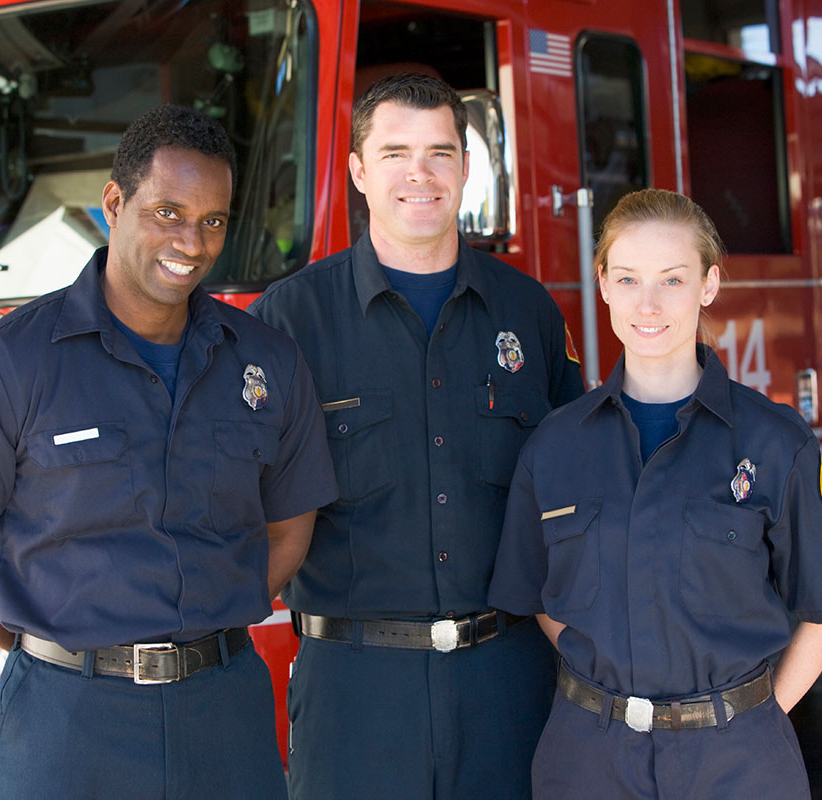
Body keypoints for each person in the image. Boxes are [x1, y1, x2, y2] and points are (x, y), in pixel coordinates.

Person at [0, 104, 337, 799]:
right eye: (168, 212)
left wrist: (208, 623)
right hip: (68, 724)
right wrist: (48, 649)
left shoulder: (267, 361)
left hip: (224, 714)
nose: (191, 242)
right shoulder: (8, 363)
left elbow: (290, 528)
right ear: (114, 202)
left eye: (214, 220)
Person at [248, 73, 584, 799]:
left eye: (440, 152)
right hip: (354, 690)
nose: (420, 174)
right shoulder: (289, 320)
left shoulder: (528, 312)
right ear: (360, 171)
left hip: (509, 681)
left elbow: (581, 500)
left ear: (466, 168)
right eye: (395, 152)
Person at [488, 188, 822, 799]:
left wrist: (752, 718)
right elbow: (543, 599)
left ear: (709, 285)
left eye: (672, 279)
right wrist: (612, 683)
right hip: (589, 762)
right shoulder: (554, 447)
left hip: (737, 764)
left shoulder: (774, 442)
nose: (649, 303)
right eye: (629, 277)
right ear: (603, 284)